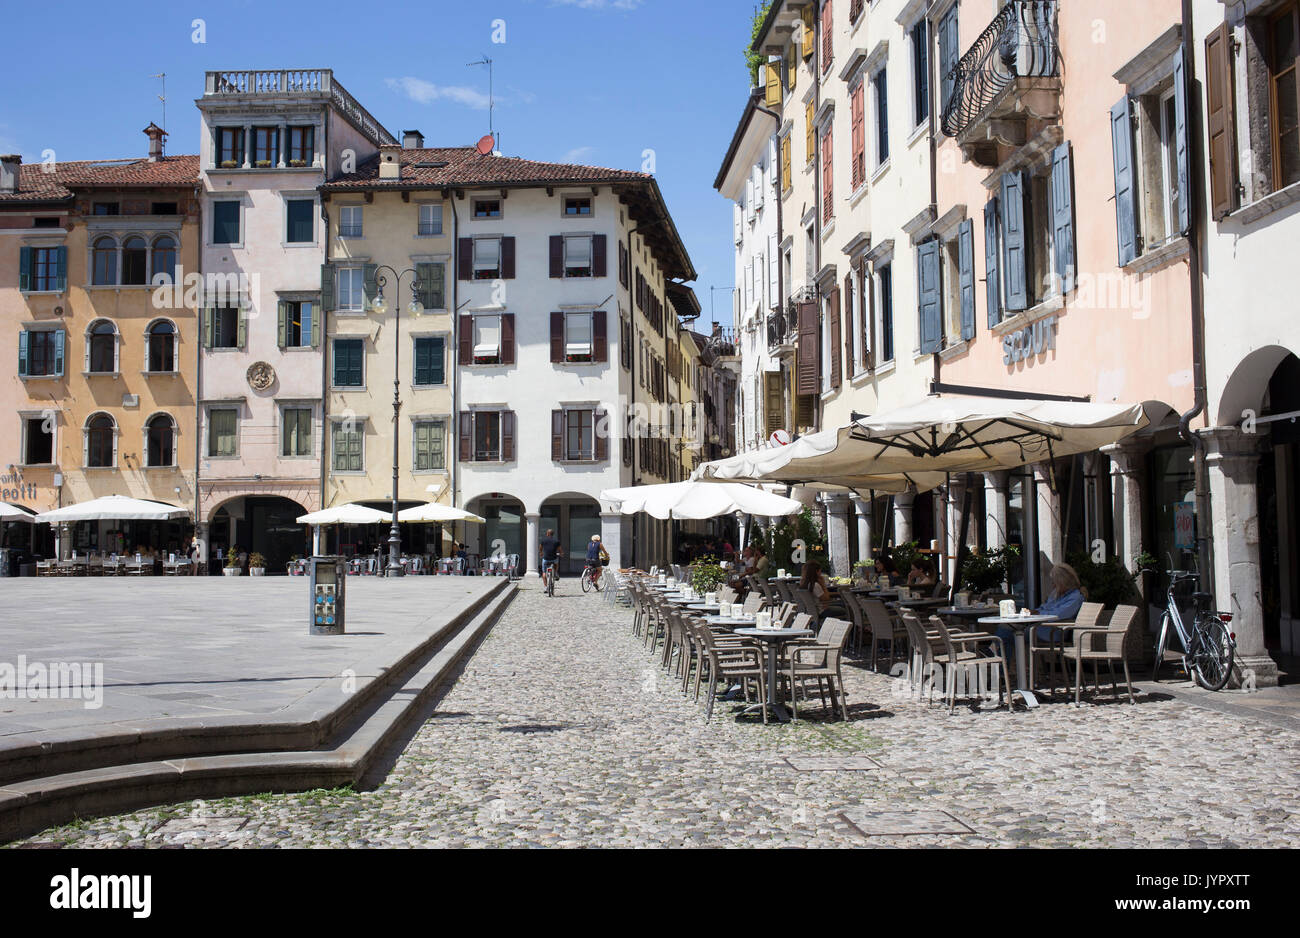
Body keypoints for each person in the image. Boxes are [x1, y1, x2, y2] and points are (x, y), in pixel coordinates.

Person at [997, 562, 1087, 667]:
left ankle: (1000, 668)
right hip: (1041, 627)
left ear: (1063, 582)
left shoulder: (1075, 597)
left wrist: (1038, 613)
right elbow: (1045, 607)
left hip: (1053, 631)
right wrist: (1034, 611)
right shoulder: (1057, 593)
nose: (1053, 584)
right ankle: (996, 658)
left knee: (1009, 634)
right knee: (1004, 627)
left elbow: (1058, 615)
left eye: (1055, 582)